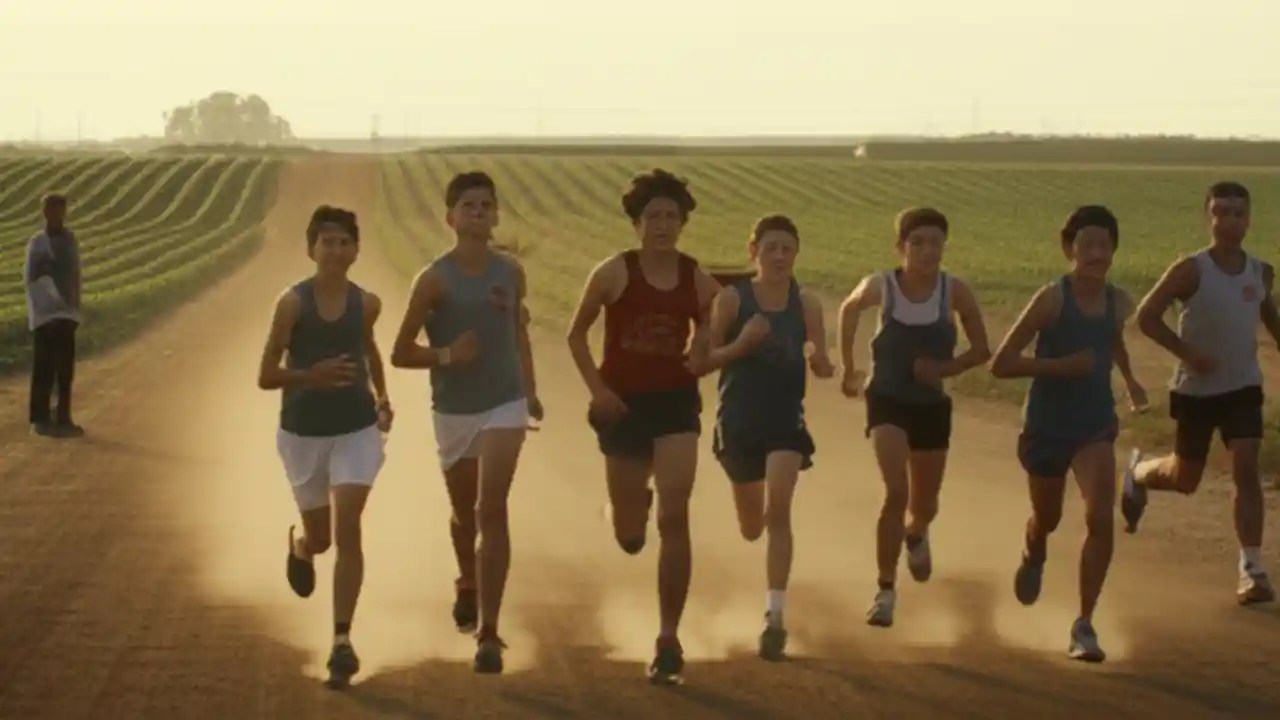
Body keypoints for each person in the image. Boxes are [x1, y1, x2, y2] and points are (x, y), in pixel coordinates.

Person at [565, 168, 720, 684]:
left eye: (672, 216)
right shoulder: (614, 271)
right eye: (653, 215)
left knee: (675, 519)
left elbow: (725, 312)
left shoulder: (694, 276)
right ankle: (631, 511)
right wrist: (600, 392)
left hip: (676, 406)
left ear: (682, 222)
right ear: (636, 223)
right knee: (629, 534)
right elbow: (575, 336)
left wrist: (704, 345)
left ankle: (668, 638)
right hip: (624, 407)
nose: (663, 224)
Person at [390, 171, 542, 675]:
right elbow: (400, 351)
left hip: (505, 402)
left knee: (491, 507)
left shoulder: (511, 272)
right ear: (450, 218)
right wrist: (450, 354)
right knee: (465, 513)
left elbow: (519, 333)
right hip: (453, 408)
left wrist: (532, 391)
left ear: (496, 215)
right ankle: (467, 581)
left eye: (486, 205)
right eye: (468, 205)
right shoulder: (434, 279)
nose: (478, 212)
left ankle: (491, 633)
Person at [991, 205, 1147, 663]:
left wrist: (1132, 380)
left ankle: (1083, 624)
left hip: (1095, 424)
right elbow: (1001, 364)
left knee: (1100, 518)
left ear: (1114, 250)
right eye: (1087, 245)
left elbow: (1113, 338)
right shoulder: (1051, 300)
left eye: (1105, 245)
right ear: (1069, 249)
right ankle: (1034, 548)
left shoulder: (1120, 301)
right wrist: (1061, 368)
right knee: (1050, 518)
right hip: (1046, 426)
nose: (1097, 254)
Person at [256, 205, 393, 689]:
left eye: (344, 242)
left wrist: (384, 398)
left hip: (356, 428)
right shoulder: (292, 304)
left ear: (356, 250)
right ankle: (300, 545)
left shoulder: (368, 303)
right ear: (311, 249)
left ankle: (341, 641)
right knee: (322, 538)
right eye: (327, 242)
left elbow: (368, 347)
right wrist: (308, 376)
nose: (336, 250)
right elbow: (265, 375)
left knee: (349, 523)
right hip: (301, 433)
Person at [1124, 181, 1277, 606]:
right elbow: (1147, 317)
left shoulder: (1260, 271)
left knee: (1245, 466)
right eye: (1221, 212)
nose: (1229, 221)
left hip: (1243, 386)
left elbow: (1269, 314)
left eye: (1238, 213)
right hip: (1196, 391)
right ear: (1208, 217)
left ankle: (1252, 568)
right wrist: (1186, 351)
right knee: (1184, 477)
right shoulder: (1191, 270)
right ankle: (1137, 472)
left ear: (1249, 219)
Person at [837, 207, 991, 628]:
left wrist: (942, 370)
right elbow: (849, 310)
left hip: (930, 407)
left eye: (934, 242)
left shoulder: (954, 291)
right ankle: (885, 590)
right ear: (901, 247)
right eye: (917, 242)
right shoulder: (882, 285)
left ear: (944, 246)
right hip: (886, 399)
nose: (926, 250)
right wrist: (849, 367)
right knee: (896, 491)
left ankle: (917, 533)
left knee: (924, 504)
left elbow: (982, 349)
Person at [701, 215, 834, 661]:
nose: (780, 257)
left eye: (787, 249)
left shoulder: (807, 304)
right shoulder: (732, 301)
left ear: (796, 253)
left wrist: (823, 365)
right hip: (738, 422)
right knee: (751, 526)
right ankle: (768, 593)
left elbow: (820, 356)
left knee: (779, 510)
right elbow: (702, 360)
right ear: (753, 251)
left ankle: (775, 616)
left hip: (785, 422)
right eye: (771, 248)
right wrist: (741, 346)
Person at [25, 193, 85, 438]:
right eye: (53, 210)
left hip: (67, 314)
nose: (58, 215)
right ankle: (40, 419)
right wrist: (45, 311)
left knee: (65, 371)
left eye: (61, 210)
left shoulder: (70, 240)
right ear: (44, 213)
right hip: (46, 316)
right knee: (44, 369)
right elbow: (33, 280)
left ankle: (63, 418)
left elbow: (75, 275)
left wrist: (75, 309)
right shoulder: (38, 242)